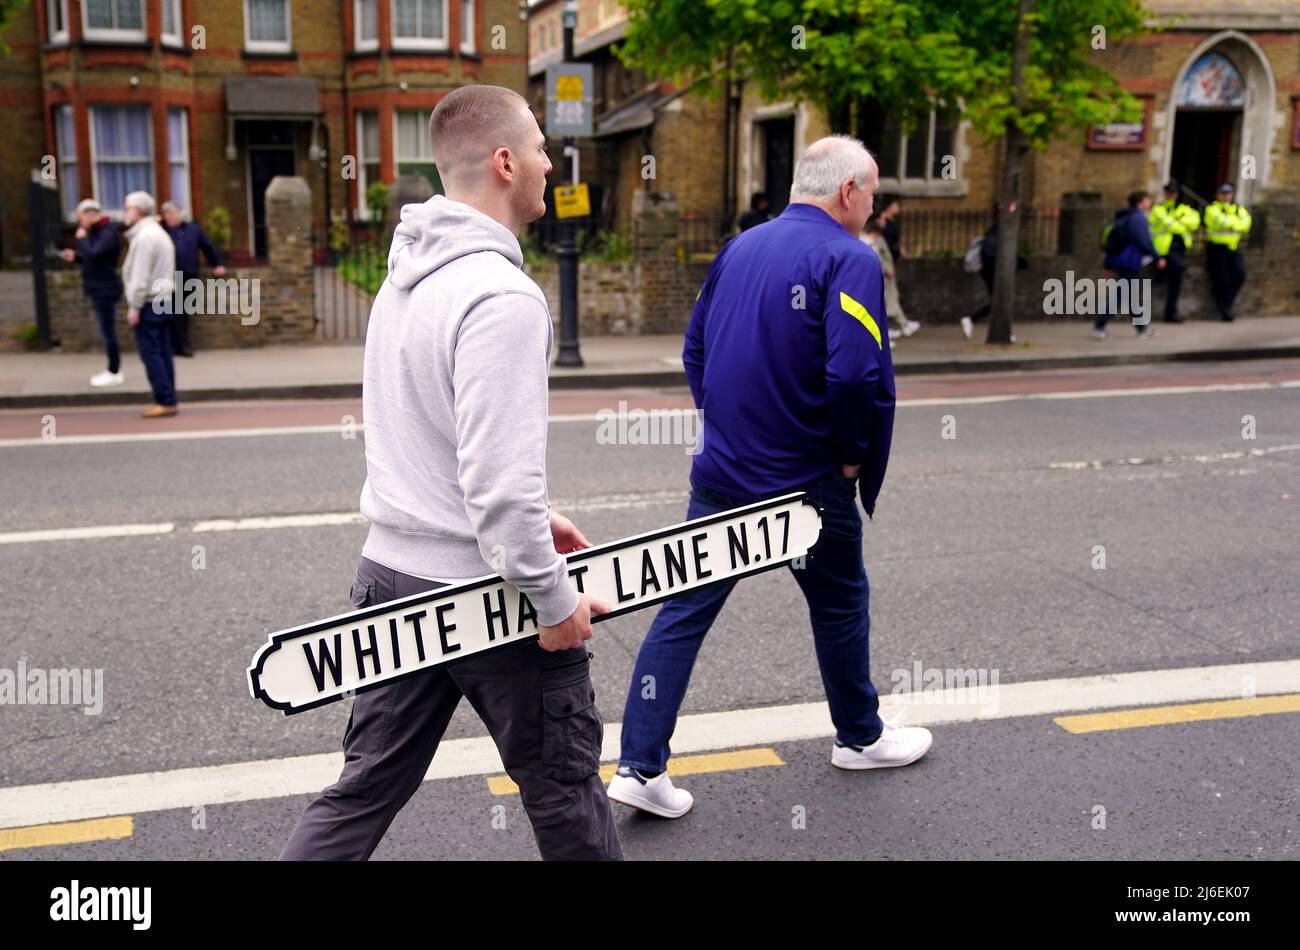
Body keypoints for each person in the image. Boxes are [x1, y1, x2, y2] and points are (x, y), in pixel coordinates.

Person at [279, 85, 622, 862]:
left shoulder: (404, 279)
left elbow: (434, 441)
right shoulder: (503, 296)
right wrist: (551, 592)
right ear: (505, 162)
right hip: (484, 596)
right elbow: (498, 488)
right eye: (538, 146)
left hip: (391, 575)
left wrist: (534, 517)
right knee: (566, 791)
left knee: (363, 790)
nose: (546, 161)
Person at [606, 135, 932, 820]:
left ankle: (638, 765)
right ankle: (860, 736)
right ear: (848, 192)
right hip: (808, 482)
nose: (873, 207)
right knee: (840, 601)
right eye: (871, 193)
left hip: (723, 474)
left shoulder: (740, 247)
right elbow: (851, 372)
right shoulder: (850, 257)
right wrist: (848, 455)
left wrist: (729, 426)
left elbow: (695, 350)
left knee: (685, 610)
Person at [120, 192, 179, 418]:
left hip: (150, 302)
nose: (125, 212)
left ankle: (164, 400)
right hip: (165, 300)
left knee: (151, 353)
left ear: (138, 210)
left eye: (127, 208)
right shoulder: (159, 233)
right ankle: (169, 397)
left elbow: (140, 277)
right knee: (163, 352)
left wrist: (134, 307)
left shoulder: (144, 238)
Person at [59, 199, 124, 387]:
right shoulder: (99, 232)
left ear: (89, 215)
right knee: (106, 331)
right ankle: (113, 369)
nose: (80, 223)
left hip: (105, 288)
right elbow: (93, 259)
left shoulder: (107, 231)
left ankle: (114, 370)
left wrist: (81, 238)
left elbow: (95, 254)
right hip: (98, 286)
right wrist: (76, 257)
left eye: (81, 219)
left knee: (108, 331)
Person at [1091, 190, 1164, 340]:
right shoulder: (1137, 218)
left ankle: (1142, 328)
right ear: (1141, 203)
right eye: (1147, 200)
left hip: (1122, 260)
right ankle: (1099, 326)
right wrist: (1157, 257)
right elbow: (1143, 241)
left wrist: (1108, 264)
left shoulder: (1124, 217)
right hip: (1129, 261)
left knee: (1130, 295)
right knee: (1122, 295)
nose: (1149, 203)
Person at [160, 201, 226, 357]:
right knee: (168, 312)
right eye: (166, 213)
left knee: (182, 313)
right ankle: (172, 346)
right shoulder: (161, 231)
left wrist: (217, 264)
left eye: (172, 213)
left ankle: (181, 345)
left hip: (188, 276)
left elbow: (207, 247)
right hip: (167, 278)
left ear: (179, 214)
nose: (169, 216)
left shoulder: (192, 230)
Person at [1148, 180, 1200, 324]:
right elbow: (1169, 224)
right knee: (1178, 268)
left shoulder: (1184, 208)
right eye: (1168, 192)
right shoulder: (1158, 208)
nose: (1170, 195)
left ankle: (1171, 312)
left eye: (1173, 193)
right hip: (1163, 251)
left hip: (1179, 250)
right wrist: (1181, 223)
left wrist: (1176, 222)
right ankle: (1169, 311)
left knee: (1175, 282)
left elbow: (1195, 222)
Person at [860, 215, 919, 340]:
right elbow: (876, 262)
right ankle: (882, 335)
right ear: (874, 234)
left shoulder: (859, 241)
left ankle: (884, 333)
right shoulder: (870, 245)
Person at [1203, 182, 1252, 322]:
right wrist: (1235, 224)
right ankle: (1225, 309)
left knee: (1240, 275)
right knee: (1221, 280)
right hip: (1217, 248)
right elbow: (1220, 222)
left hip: (1233, 247)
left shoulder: (1237, 209)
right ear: (1217, 195)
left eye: (1228, 193)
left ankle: (1226, 304)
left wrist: (1231, 224)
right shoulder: (1211, 209)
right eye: (1223, 193)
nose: (1226, 196)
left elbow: (1247, 224)